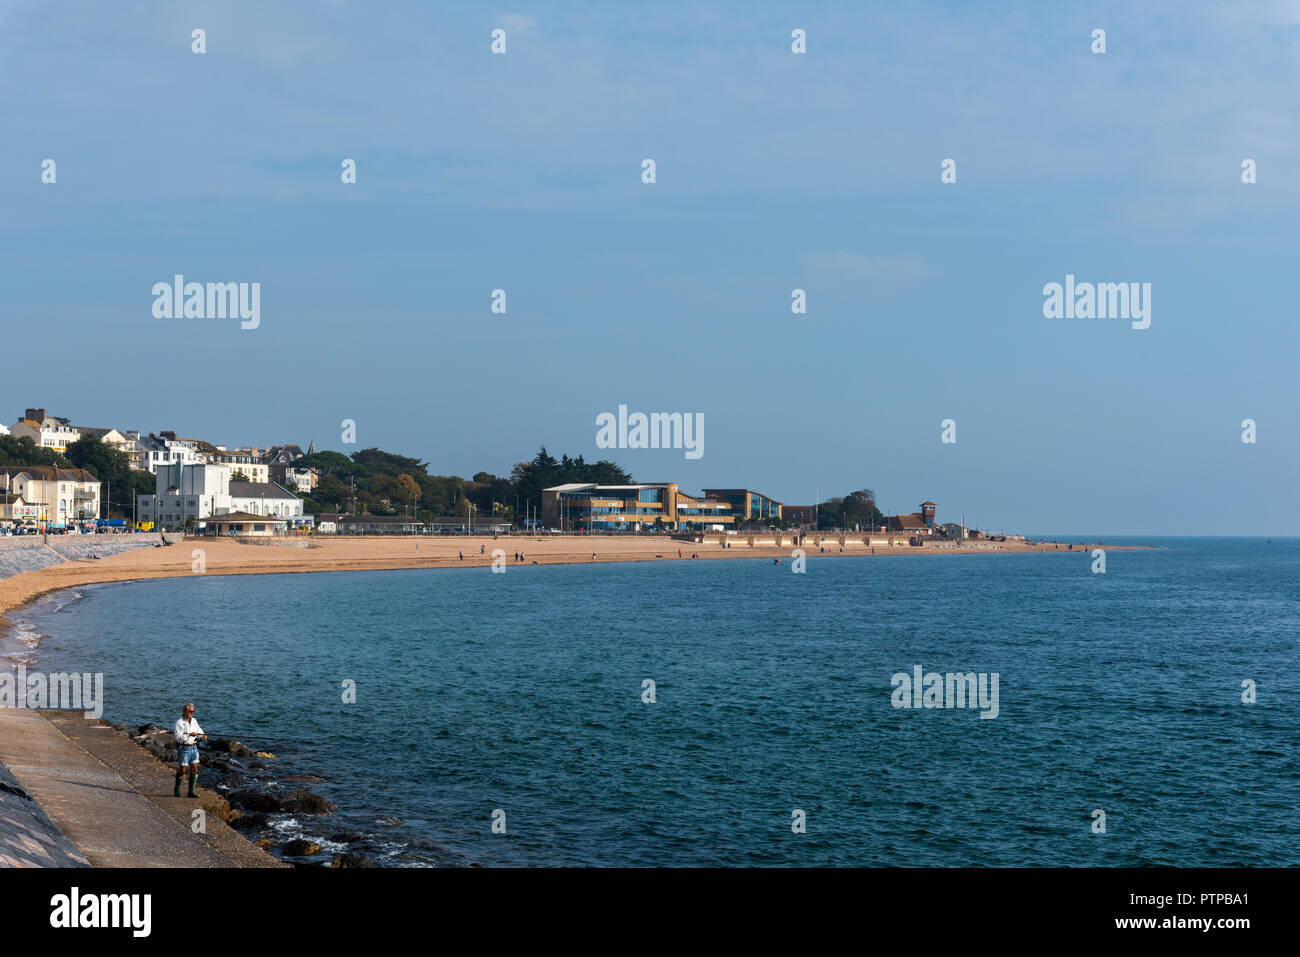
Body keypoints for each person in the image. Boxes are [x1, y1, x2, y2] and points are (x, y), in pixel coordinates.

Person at [173, 702, 207, 798]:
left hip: (194, 747)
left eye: (193, 711)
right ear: (184, 711)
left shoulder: (194, 721)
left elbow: (199, 731)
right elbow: (177, 738)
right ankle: (177, 787)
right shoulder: (179, 723)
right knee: (183, 770)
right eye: (190, 711)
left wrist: (203, 735)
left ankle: (191, 791)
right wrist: (189, 735)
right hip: (184, 748)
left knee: (194, 768)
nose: (192, 713)